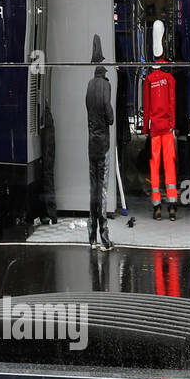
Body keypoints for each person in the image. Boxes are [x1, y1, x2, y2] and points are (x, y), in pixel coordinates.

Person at [143, 22, 178, 220]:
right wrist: (173, 124)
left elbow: (147, 107)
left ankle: (156, 207)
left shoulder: (149, 80)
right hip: (167, 128)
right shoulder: (170, 80)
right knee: (170, 165)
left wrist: (145, 128)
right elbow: (172, 103)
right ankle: (172, 205)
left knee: (154, 166)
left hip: (155, 129)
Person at [85, 34, 114, 250]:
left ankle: (91, 237)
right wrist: (109, 117)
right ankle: (104, 237)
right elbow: (109, 115)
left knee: (92, 189)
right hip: (103, 143)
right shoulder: (105, 86)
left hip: (91, 143)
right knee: (102, 191)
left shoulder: (89, 85)